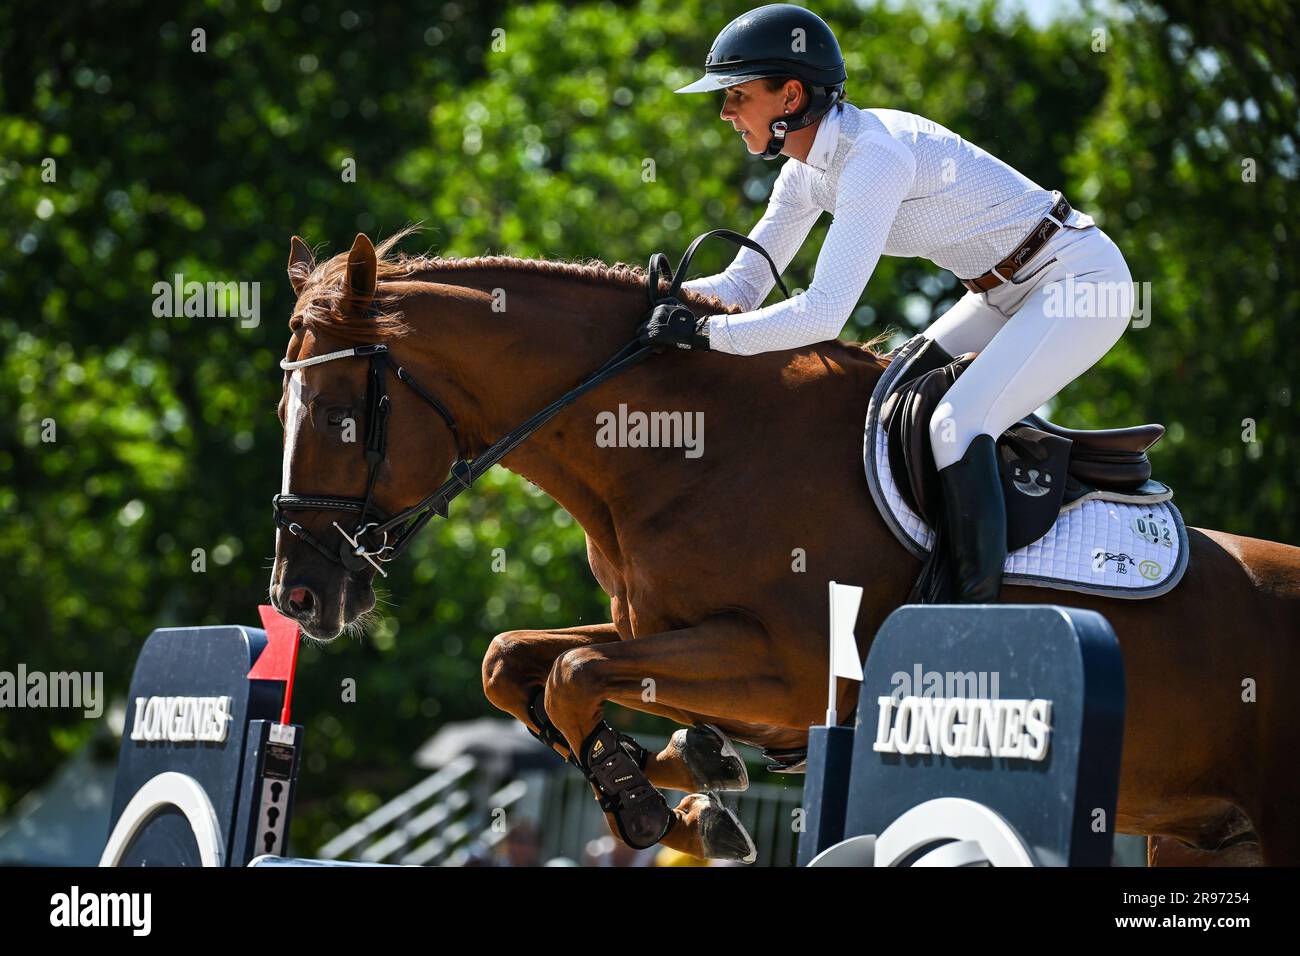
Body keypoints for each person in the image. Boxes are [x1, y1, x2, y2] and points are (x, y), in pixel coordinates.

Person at [640, 3, 1134, 602]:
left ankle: (970, 613)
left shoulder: (872, 157)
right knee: (879, 404)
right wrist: (664, 304)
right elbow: (744, 286)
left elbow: (824, 313)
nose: (725, 111)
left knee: (956, 425)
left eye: (737, 95)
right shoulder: (803, 173)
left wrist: (709, 337)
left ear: (790, 97)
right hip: (1001, 292)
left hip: (1079, 282)